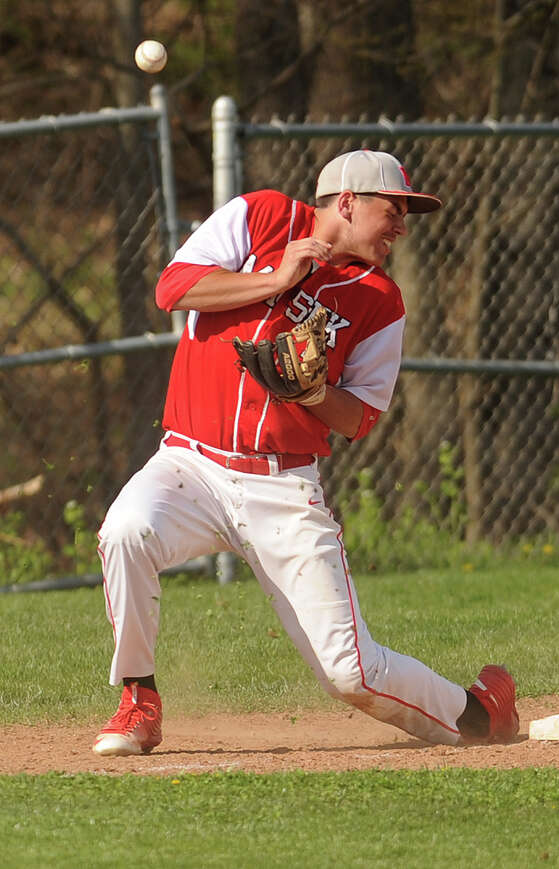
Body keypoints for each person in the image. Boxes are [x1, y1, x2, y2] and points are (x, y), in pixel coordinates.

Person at [93, 149, 518, 756]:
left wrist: (314, 391)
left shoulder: (380, 300)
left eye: (405, 214)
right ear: (346, 202)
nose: (401, 225)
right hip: (190, 461)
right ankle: (139, 699)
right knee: (126, 531)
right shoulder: (262, 218)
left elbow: (361, 416)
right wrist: (275, 280)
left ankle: (480, 712)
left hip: (281, 486)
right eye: (392, 209)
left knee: (351, 675)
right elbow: (173, 288)